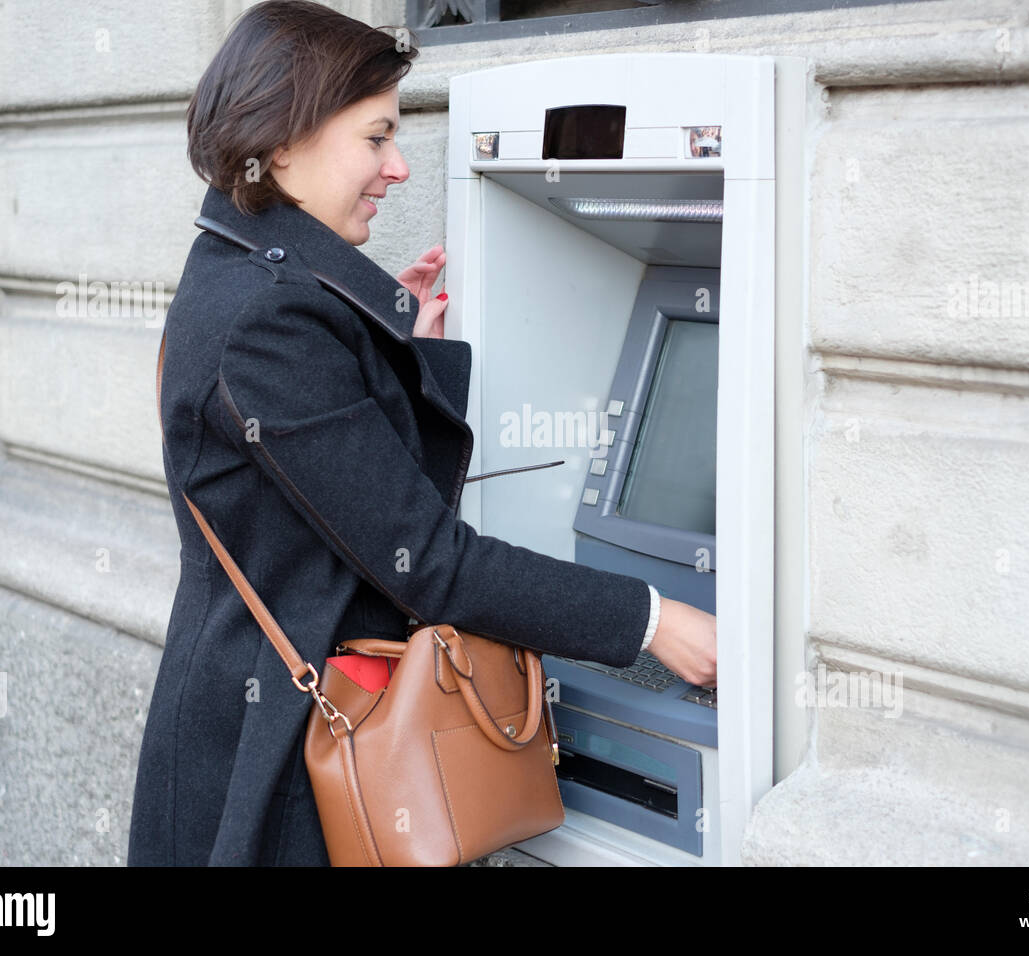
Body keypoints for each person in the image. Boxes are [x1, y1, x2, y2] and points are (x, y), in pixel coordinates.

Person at [128, 0, 717, 867]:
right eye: (376, 138)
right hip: (290, 762)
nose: (398, 167)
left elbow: (318, 496)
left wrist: (382, 354)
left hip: (255, 720)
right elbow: (426, 562)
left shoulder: (238, 272)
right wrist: (653, 619)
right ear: (283, 143)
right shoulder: (272, 321)